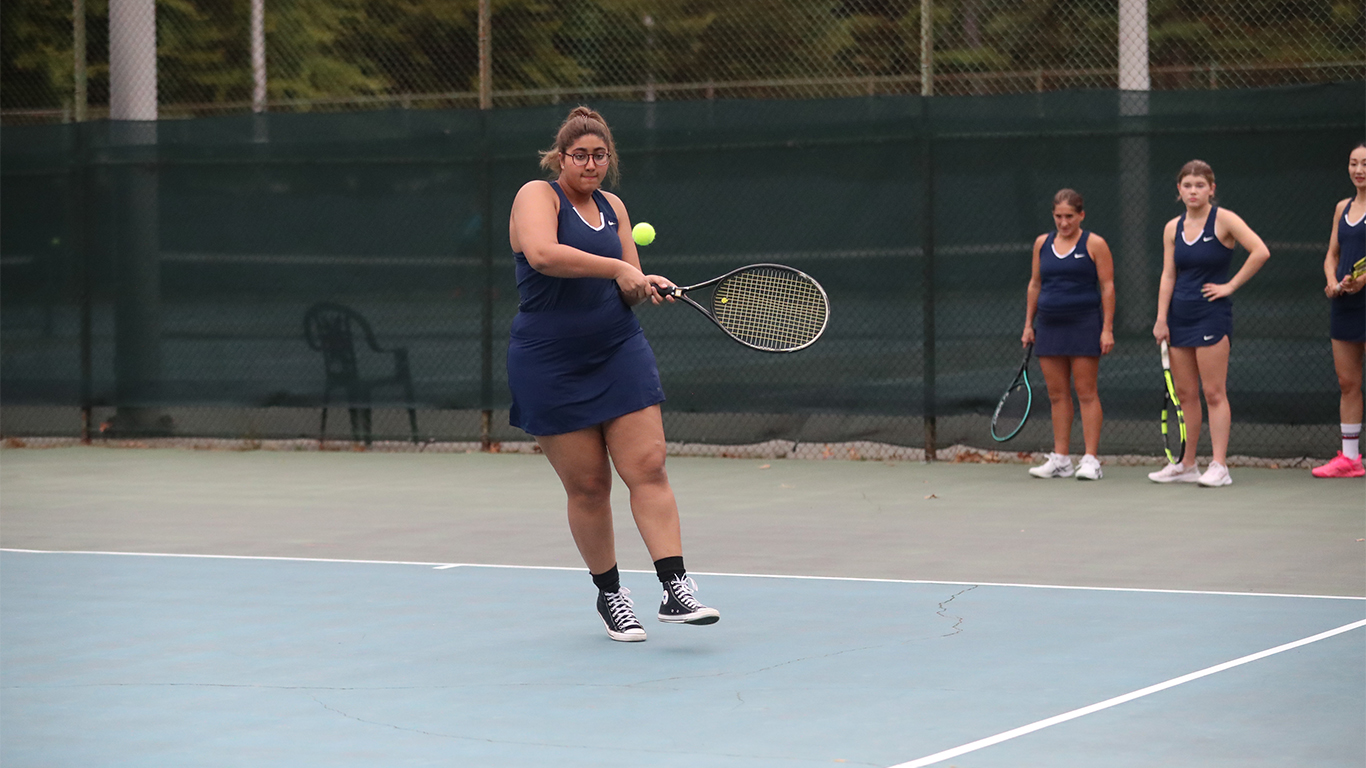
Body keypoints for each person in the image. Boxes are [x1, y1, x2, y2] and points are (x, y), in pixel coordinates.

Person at [507, 106, 720, 642]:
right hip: (549, 359)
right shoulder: (537, 195)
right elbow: (542, 254)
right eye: (579, 155)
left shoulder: (614, 207)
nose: (590, 164)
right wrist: (623, 268)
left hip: (617, 348)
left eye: (600, 155)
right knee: (588, 485)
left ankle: (676, 587)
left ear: (610, 160)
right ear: (561, 158)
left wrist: (645, 283)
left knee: (648, 466)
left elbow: (628, 284)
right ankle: (612, 596)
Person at [1149, 160, 1270, 486]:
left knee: (1213, 392)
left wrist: (1230, 286)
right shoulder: (1172, 228)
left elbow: (1260, 251)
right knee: (1186, 394)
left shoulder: (1225, 220)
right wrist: (1161, 318)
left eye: (1200, 185)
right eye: (1187, 185)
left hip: (1211, 316)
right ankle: (1188, 464)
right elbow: (1168, 274)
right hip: (1178, 318)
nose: (1193, 191)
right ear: (1179, 189)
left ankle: (1219, 466)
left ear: (1211, 189)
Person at [1023, 189, 1115, 480]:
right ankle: (1061, 459)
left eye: (1069, 217)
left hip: (1084, 324)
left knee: (1086, 392)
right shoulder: (1042, 243)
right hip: (1049, 325)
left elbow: (1108, 287)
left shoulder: (1095, 244)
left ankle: (1090, 460)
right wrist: (1029, 324)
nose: (1064, 223)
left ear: (1081, 215)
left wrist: (1107, 328)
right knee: (1057, 394)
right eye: (1059, 217)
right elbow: (1035, 284)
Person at [1311, 143, 1366, 478]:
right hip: (1345, 305)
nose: (1359, 170)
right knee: (1348, 382)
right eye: (1354, 163)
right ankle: (1350, 459)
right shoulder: (1341, 208)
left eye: (1365, 164)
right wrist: (1332, 282)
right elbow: (1332, 254)